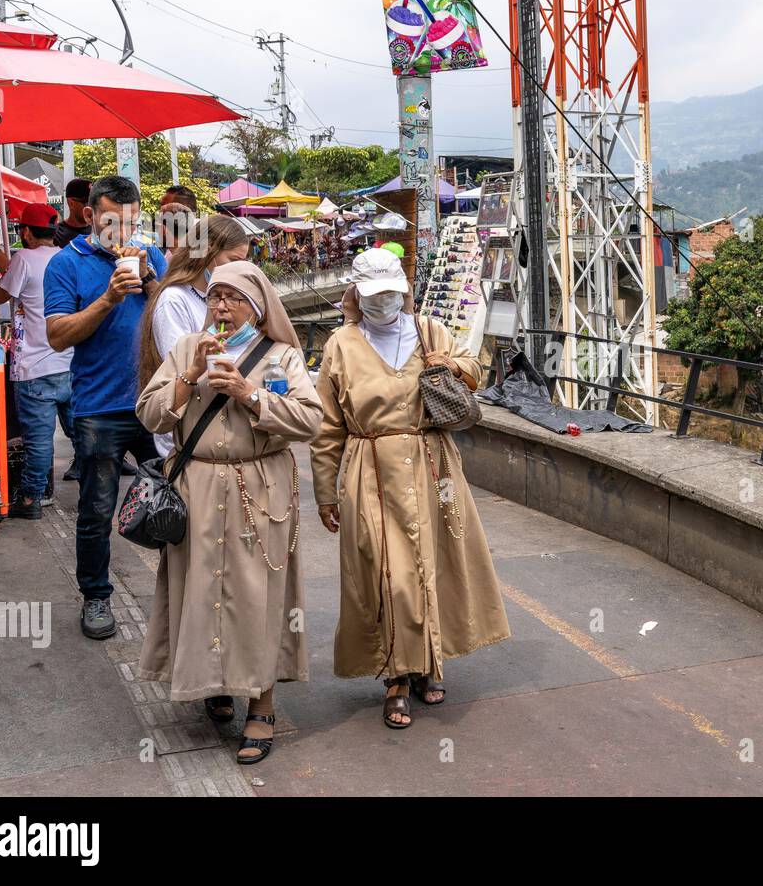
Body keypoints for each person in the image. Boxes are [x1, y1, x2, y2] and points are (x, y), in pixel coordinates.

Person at [310, 249, 510, 728]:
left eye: (392, 294)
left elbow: (475, 372)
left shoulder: (429, 330)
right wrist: (325, 490)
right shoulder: (341, 343)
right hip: (369, 469)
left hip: (433, 466)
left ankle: (429, 664)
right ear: (358, 294)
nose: (385, 304)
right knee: (386, 572)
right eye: (376, 296)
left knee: (434, 562)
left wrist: (453, 365)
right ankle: (396, 674)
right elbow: (327, 426)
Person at [136, 261, 322, 764]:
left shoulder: (281, 356)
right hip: (196, 487)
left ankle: (261, 702)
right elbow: (148, 412)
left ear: (256, 308)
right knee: (199, 586)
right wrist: (188, 379)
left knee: (256, 593)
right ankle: (212, 681)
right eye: (214, 296)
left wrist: (248, 394)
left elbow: (310, 420)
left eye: (233, 298)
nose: (221, 306)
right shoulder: (185, 350)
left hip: (258, 487)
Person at [45, 175, 167, 640]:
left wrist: (153, 283)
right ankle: (96, 596)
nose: (123, 232)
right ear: (91, 216)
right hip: (99, 409)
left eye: (133, 222)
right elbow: (58, 336)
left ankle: (178, 596)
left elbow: (176, 318)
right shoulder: (65, 264)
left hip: (154, 403)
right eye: (113, 222)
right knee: (97, 510)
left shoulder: (150, 255)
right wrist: (110, 297)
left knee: (174, 500)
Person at [0, 205, 77, 513]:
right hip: (69, 363)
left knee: (38, 441)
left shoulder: (24, 259)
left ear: (25, 232)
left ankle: (31, 500)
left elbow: (1, 294)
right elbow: (16, 278)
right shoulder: (66, 257)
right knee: (81, 434)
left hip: (34, 366)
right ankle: (92, 488)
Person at [140, 214, 252, 457]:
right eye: (233, 260)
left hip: (219, 430)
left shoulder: (220, 299)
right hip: (188, 434)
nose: (238, 270)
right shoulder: (174, 299)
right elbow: (181, 366)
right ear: (208, 251)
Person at [55, 177, 91, 248]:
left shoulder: (99, 231)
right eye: (87, 203)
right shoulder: (56, 234)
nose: (91, 207)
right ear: (71, 203)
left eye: (95, 202)